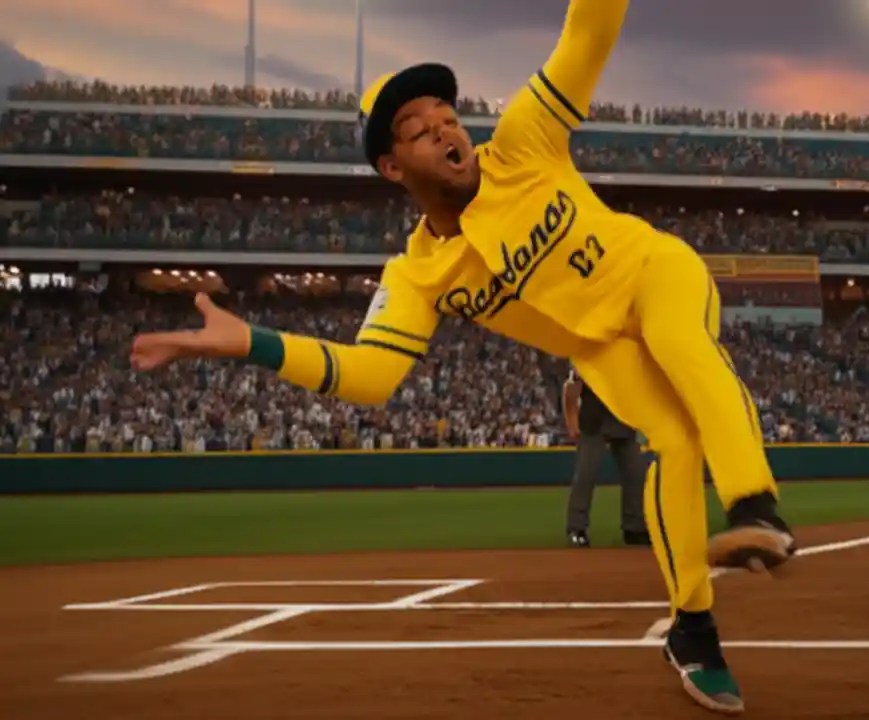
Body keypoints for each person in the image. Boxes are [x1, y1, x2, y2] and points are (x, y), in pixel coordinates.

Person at [128, 0, 794, 713]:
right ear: (392, 166)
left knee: (681, 342)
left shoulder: (524, 140)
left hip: (656, 273)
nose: (443, 126)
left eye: (446, 113)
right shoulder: (416, 275)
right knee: (675, 441)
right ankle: (693, 630)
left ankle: (756, 507)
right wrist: (253, 343)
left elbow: (589, 31)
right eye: (417, 129)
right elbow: (369, 376)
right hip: (599, 350)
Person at [562, 367, 650, 548]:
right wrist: (571, 419)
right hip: (594, 419)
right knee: (586, 473)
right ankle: (577, 527)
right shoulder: (589, 355)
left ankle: (635, 527)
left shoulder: (628, 355)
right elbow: (571, 387)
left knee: (636, 472)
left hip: (625, 419)